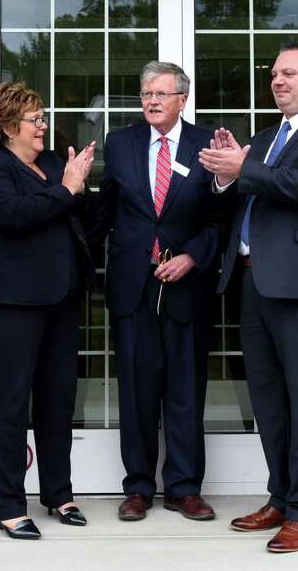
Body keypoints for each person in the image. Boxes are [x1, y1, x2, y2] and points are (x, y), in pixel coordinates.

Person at [199, 43, 298, 554]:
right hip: (253, 281)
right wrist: (226, 175)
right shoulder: (266, 138)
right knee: (268, 400)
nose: (277, 81)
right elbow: (248, 195)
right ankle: (282, 497)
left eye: (288, 73)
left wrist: (244, 167)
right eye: (273, 75)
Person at [89, 62, 228, 523]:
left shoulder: (206, 145)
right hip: (134, 284)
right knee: (136, 392)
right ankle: (138, 488)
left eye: (161, 94)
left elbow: (220, 219)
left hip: (186, 283)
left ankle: (185, 488)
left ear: (182, 100)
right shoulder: (121, 143)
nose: (151, 101)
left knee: (185, 390)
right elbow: (105, 211)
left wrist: (192, 257)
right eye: (146, 93)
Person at [0, 82, 96, 540]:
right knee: (10, 403)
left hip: (60, 297)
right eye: (34, 119)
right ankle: (8, 505)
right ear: (7, 127)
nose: (43, 126)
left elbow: (75, 215)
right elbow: (16, 215)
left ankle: (59, 493)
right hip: (10, 302)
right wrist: (68, 190)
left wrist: (80, 188)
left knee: (57, 399)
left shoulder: (55, 165)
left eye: (43, 118)